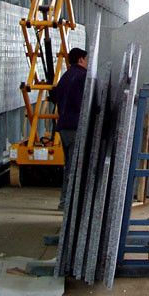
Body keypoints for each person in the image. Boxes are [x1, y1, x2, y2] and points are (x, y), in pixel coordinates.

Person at [52, 47, 88, 210]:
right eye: (86, 60)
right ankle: (70, 204)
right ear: (81, 59)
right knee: (76, 167)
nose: (88, 63)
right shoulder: (83, 77)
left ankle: (65, 202)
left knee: (69, 166)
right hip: (75, 126)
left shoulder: (64, 77)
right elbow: (84, 103)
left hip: (64, 127)